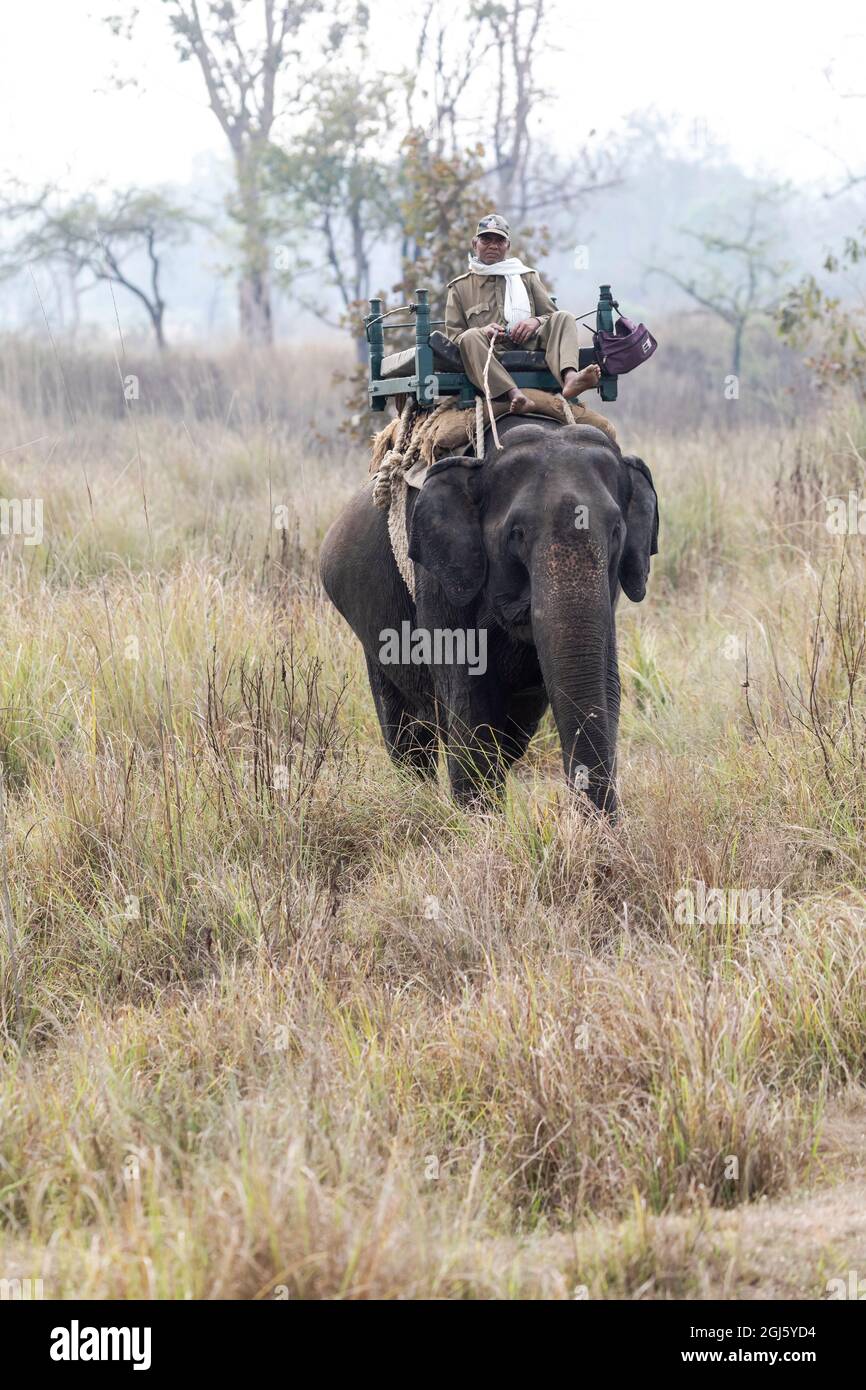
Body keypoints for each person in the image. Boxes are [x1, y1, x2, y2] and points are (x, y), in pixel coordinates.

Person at [445, 213, 603, 414]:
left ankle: (571, 378)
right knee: (469, 337)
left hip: (530, 343)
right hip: (489, 353)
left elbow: (550, 315)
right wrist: (483, 331)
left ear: (507, 246)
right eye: (486, 240)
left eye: (499, 240)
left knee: (564, 317)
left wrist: (535, 322)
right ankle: (514, 394)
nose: (493, 245)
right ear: (475, 243)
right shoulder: (460, 287)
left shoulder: (526, 276)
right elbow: (454, 338)